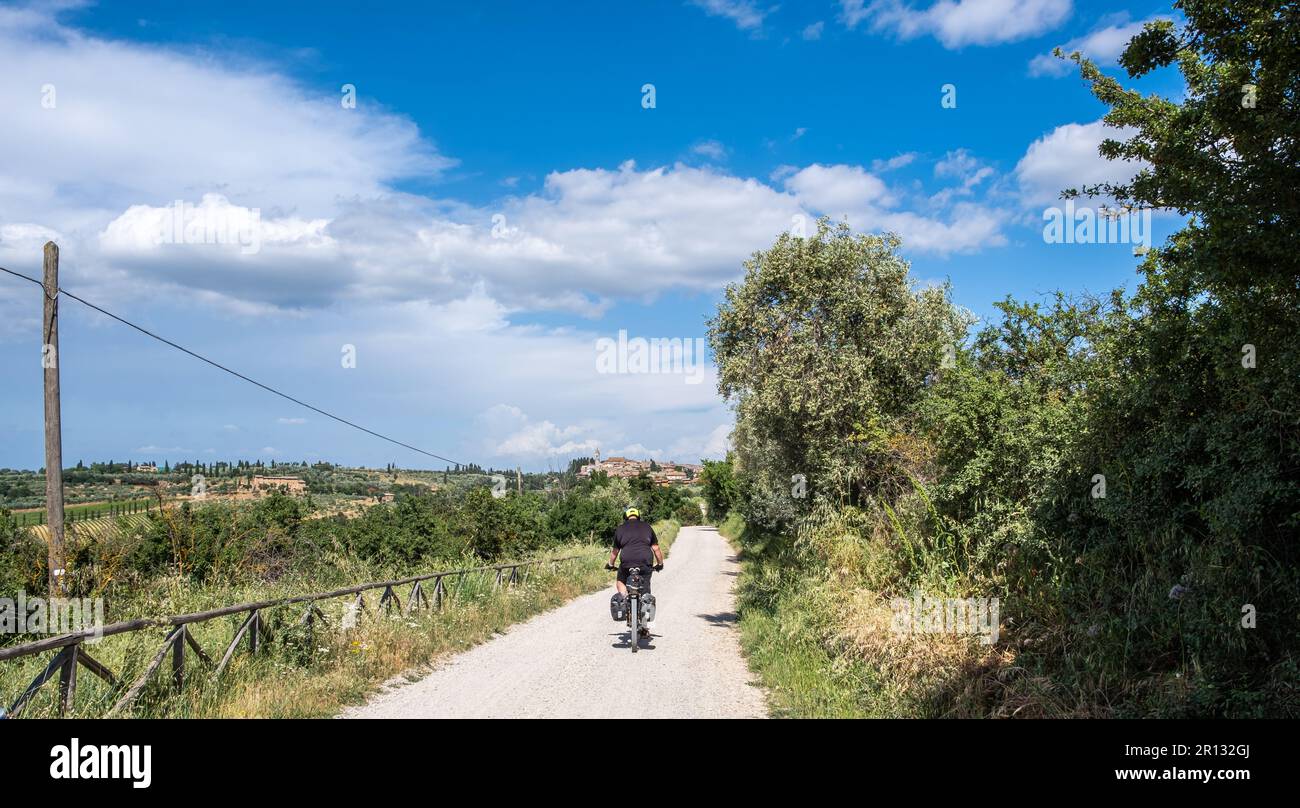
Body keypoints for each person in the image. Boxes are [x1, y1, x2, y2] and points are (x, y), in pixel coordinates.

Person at [609, 506, 664, 599]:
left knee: (620, 582)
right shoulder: (647, 526)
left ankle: (624, 599)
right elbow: (656, 548)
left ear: (626, 517)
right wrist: (660, 564)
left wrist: (610, 564)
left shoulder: (620, 529)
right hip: (645, 561)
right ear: (638, 516)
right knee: (645, 583)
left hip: (627, 561)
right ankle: (646, 599)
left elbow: (615, 551)